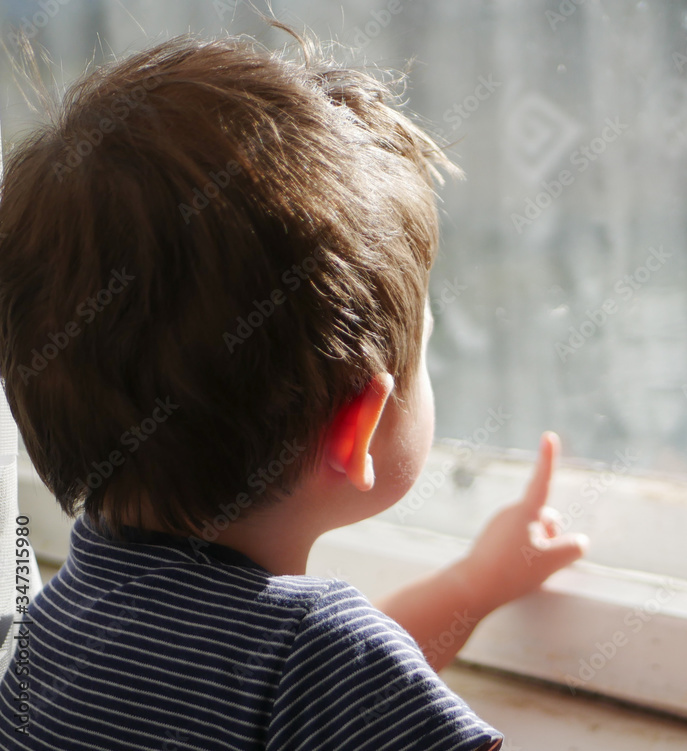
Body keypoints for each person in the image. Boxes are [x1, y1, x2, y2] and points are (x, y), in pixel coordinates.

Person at [0, 30, 587, 750]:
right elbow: (326, 679)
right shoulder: (316, 655)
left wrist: (470, 587)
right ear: (356, 427)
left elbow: (316, 699)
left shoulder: (51, 625)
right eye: (424, 352)